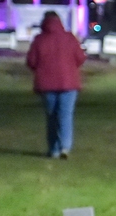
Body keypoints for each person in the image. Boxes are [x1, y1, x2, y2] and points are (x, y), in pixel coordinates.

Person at [26, 11, 85, 159]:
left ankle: (54, 149)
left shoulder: (39, 40)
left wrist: (41, 70)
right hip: (69, 83)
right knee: (65, 115)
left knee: (51, 117)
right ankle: (65, 146)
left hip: (47, 84)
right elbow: (80, 58)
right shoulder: (70, 38)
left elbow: (31, 61)